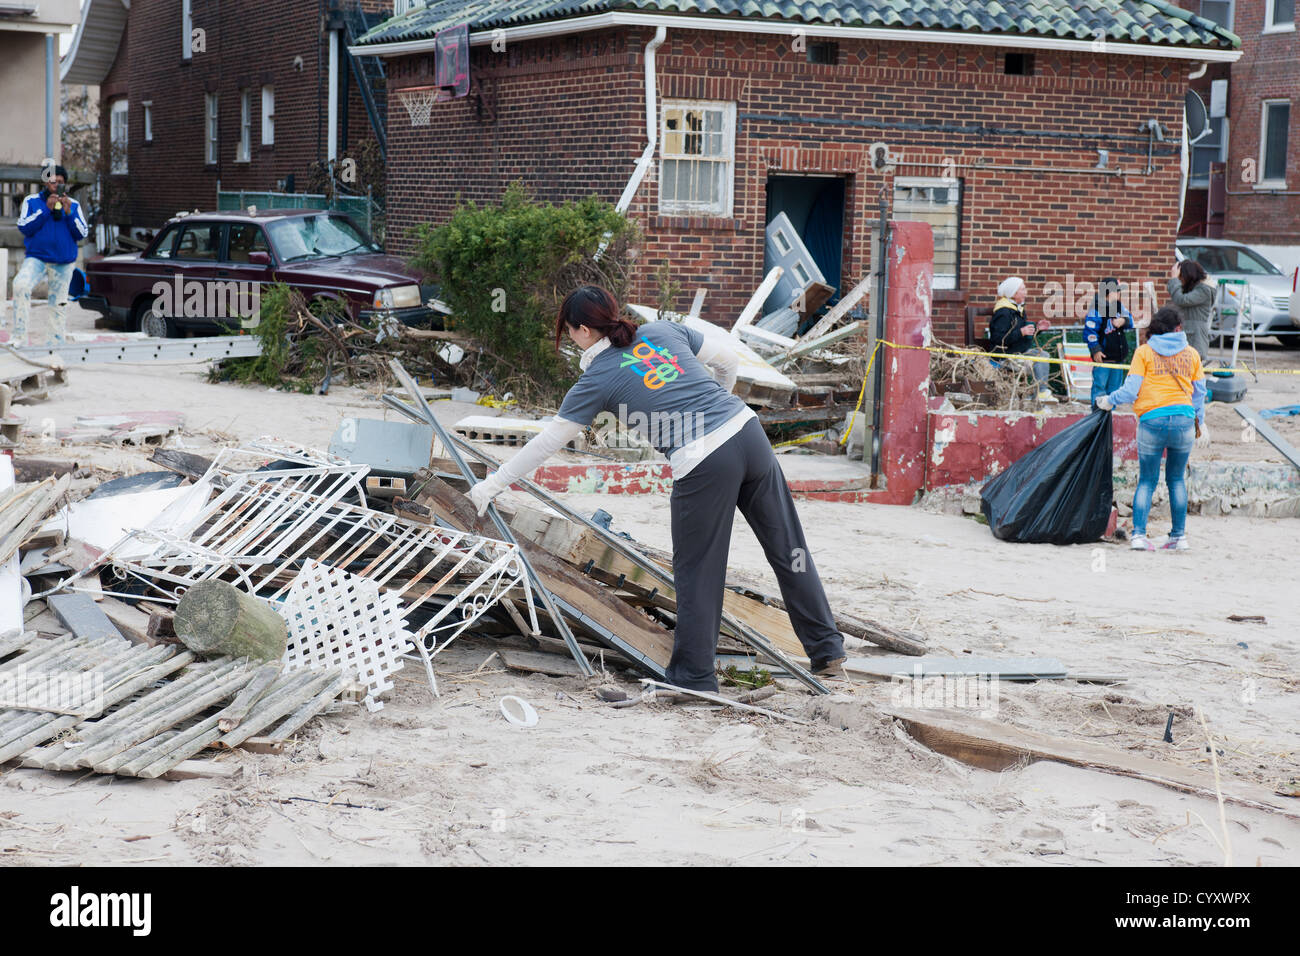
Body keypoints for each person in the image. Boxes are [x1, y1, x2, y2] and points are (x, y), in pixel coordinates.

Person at [468, 285, 847, 691]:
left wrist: (491, 485)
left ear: (580, 330)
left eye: (567, 330)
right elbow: (727, 360)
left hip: (704, 460)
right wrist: (721, 400)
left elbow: (547, 442)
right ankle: (827, 652)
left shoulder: (597, 377)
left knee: (698, 571)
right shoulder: (663, 331)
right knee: (789, 548)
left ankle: (695, 678)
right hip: (748, 434)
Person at [1097, 307, 1208, 552]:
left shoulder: (1144, 352)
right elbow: (1200, 393)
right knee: (1177, 479)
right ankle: (1179, 537)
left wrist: (1108, 401)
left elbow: (1130, 390)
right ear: (1178, 328)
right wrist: (1200, 421)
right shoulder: (1192, 354)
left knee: (1147, 480)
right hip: (1184, 420)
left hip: (1152, 420)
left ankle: (1138, 536)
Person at [14, 165, 89, 348]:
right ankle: (19, 339)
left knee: (58, 304)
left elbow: (82, 233)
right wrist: (45, 210)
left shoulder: (74, 205)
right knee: (20, 285)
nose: (56, 185)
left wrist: (69, 213)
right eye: (52, 181)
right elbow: (24, 227)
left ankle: (54, 347)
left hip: (63, 261)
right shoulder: (32, 201)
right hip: (37, 258)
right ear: (46, 182)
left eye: (60, 182)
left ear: (66, 184)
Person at [988, 276, 1056, 404]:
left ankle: (1041, 392)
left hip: (1019, 351)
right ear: (1013, 293)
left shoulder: (1018, 309)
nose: (1026, 292)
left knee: (1043, 354)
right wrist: (1021, 332)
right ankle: (1040, 392)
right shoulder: (1003, 312)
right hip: (1004, 356)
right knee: (1036, 360)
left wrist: (1037, 329)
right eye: (1023, 289)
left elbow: (1021, 334)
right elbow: (997, 339)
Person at [1082, 277, 1134, 410]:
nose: (1119, 294)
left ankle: (1111, 416)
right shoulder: (1097, 308)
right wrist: (1095, 349)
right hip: (1104, 358)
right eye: (1116, 291)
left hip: (1118, 358)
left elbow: (1131, 321)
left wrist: (1124, 320)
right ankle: (1097, 415)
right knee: (1100, 387)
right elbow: (1090, 332)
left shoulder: (1119, 306)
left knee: (1115, 390)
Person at [1166, 259, 1215, 362]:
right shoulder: (1192, 289)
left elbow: (1181, 300)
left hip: (1195, 339)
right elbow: (1177, 296)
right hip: (1185, 336)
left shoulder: (1204, 290)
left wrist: (1174, 279)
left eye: (1181, 277)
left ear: (1188, 276)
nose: (1180, 281)